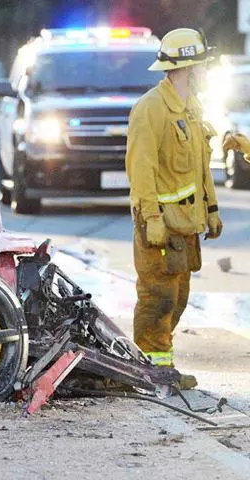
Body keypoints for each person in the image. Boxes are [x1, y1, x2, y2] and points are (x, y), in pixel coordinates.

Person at [125, 28, 223, 389]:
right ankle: (150, 373)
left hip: (185, 226)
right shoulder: (151, 109)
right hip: (160, 227)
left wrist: (211, 209)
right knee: (158, 300)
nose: (205, 73)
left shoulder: (191, 109)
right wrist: (150, 217)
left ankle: (160, 370)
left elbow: (201, 165)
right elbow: (141, 169)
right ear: (187, 69)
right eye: (201, 67)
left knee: (178, 299)